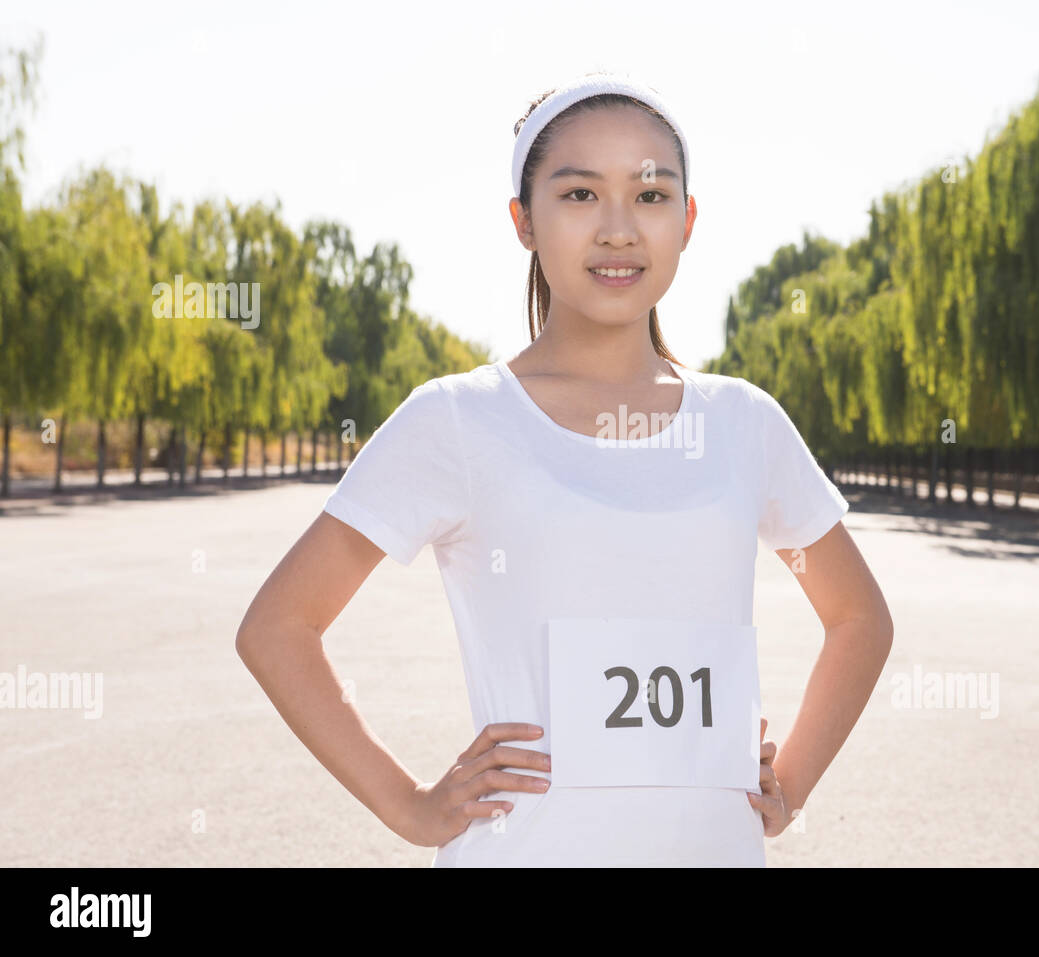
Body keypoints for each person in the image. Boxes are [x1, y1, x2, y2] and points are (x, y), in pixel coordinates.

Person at [235, 71, 894, 867]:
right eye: (580, 195)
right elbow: (278, 628)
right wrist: (410, 806)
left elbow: (859, 619)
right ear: (523, 220)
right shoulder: (459, 418)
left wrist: (788, 786)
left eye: (650, 196)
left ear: (687, 221)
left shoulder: (743, 422)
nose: (619, 229)